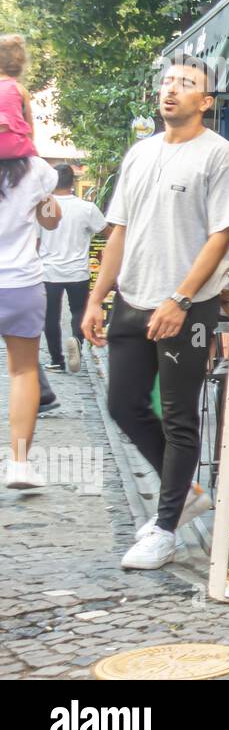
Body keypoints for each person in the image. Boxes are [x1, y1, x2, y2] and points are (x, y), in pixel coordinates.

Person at [82, 55, 229, 569]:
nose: (171, 90)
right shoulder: (140, 153)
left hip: (186, 309)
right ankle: (187, 490)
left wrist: (181, 299)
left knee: (179, 418)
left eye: (186, 84)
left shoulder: (220, 155)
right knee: (124, 404)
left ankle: (166, 526)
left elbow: (222, 236)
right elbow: (119, 232)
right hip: (131, 300)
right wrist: (96, 297)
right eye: (167, 82)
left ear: (206, 101)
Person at [0, 34, 62, 489]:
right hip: (20, 279)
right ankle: (19, 464)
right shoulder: (41, 171)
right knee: (23, 370)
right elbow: (51, 220)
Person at [40, 163, 107, 373]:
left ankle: (56, 360)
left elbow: (32, 239)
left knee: (50, 315)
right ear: (73, 182)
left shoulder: (43, 207)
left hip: (48, 270)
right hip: (78, 271)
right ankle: (76, 342)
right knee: (79, 310)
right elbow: (110, 233)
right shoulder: (86, 208)